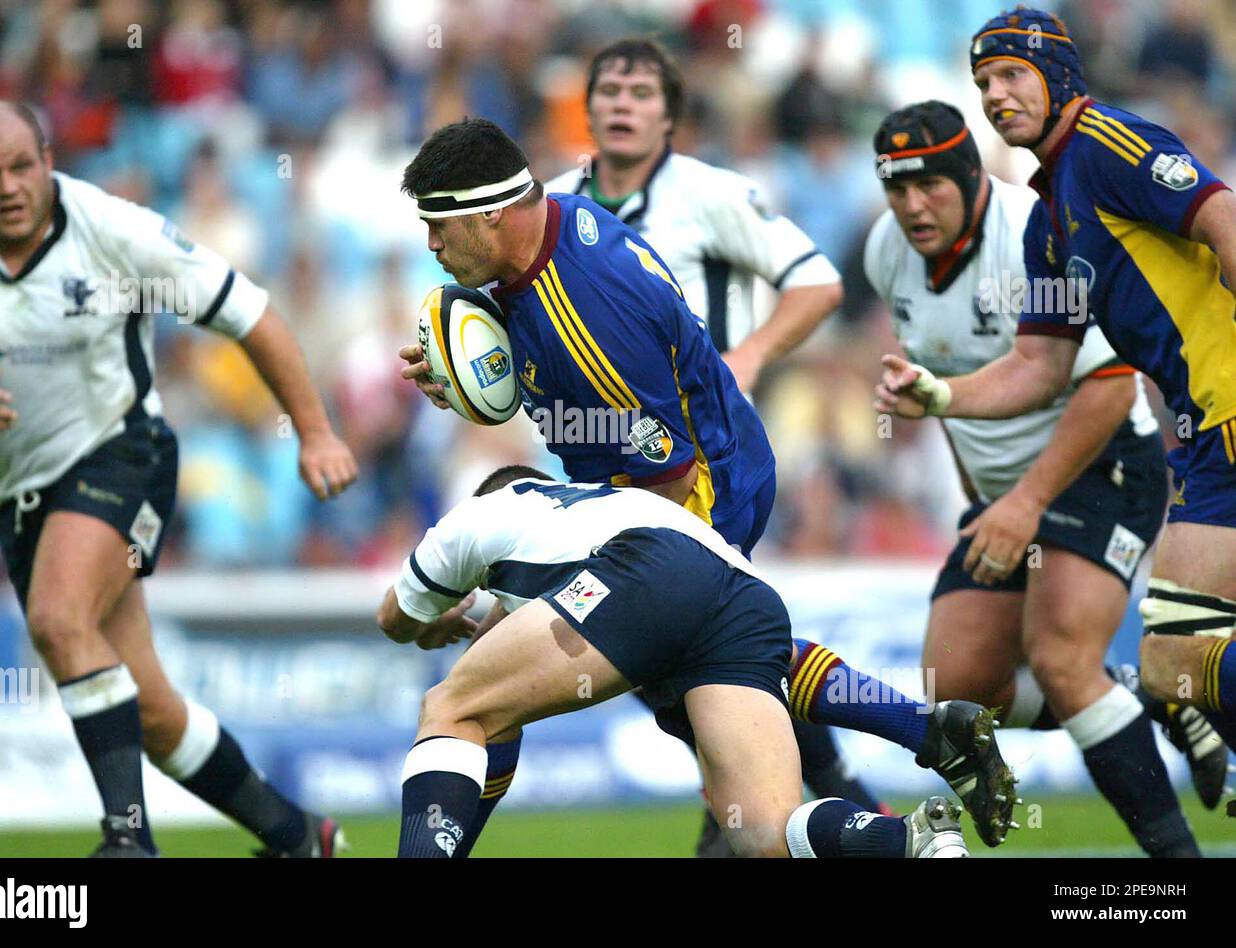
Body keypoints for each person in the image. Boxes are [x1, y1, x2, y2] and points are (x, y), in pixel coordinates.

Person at [0, 99, 359, 856]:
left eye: (24, 165)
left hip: (122, 454)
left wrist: (317, 432)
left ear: (49, 156)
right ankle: (301, 837)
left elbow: (251, 313)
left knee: (59, 621)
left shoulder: (112, 232)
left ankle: (129, 840)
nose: (8, 186)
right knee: (152, 710)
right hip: (17, 491)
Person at [544, 37, 886, 854]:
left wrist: (751, 356)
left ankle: (806, 804)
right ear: (587, 108)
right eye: (610, 91)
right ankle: (829, 795)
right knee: (700, 650)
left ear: (671, 114)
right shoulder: (548, 202)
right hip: (594, 463)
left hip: (698, 459)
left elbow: (816, 280)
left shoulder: (711, 193)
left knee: (675, 634)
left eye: (641, 93)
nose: (623, 105)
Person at [875, 9, 1236, 772]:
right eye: (983, 83)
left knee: (1177, 659)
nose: (997, 95)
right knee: (1175, 666)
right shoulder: (1049, 221)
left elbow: (1225, 220)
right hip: (1209, 431)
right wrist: (938, 396)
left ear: (1059, 75)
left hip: (1231, 409)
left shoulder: (1107, 144)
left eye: (1012, 75)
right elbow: (1038, 368)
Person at [376, 465, 1006, 858]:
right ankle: (913, 840)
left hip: (644, 570)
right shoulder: (580, 507)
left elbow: (394, 617)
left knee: (451, 706)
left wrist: (431, 624)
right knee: (765, 835)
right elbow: (517, 641)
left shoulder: (473, 518)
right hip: (739, 588)